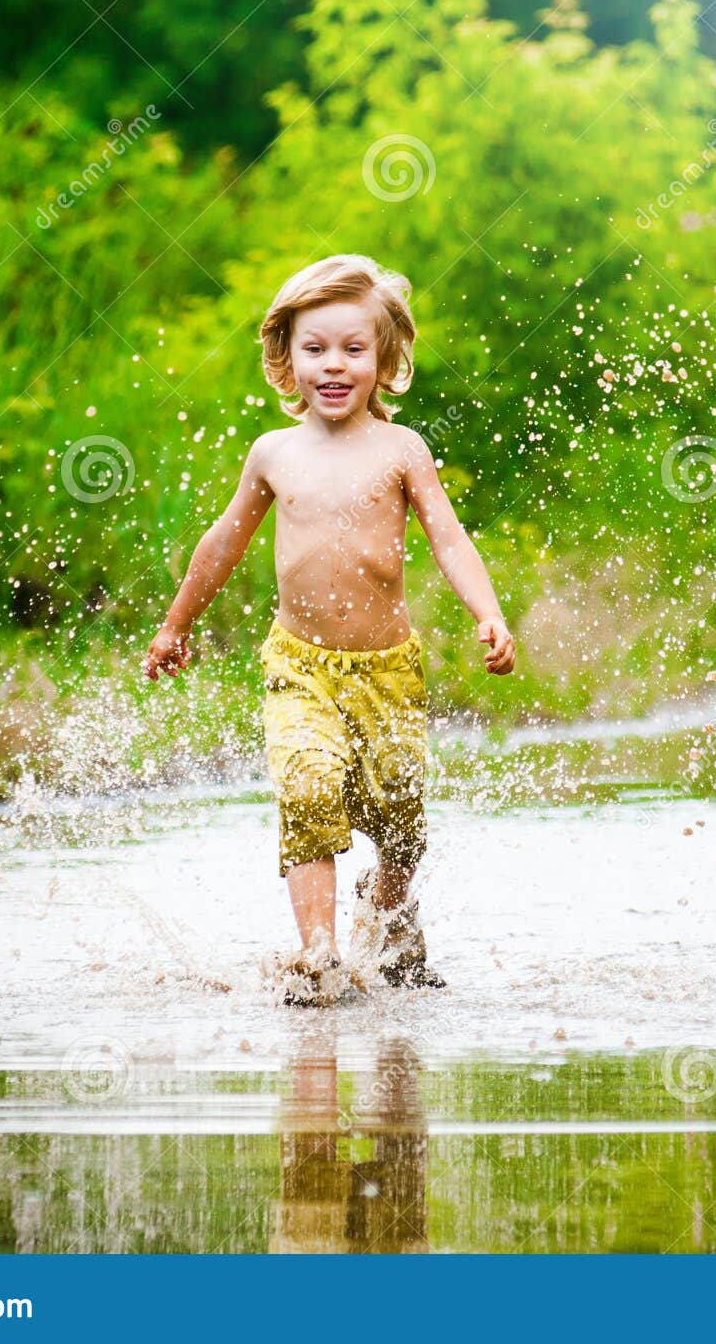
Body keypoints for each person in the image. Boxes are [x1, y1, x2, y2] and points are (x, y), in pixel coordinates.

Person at [144, 254, 515, 1005]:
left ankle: (391, 930)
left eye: (354, 349)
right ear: (287, 358)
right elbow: (223, 543)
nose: (334, 365)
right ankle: (320, 955)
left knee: (400, 825)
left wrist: (489, 612)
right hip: (299, 666)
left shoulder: (402, 450)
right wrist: (175, 623)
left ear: (385, 359)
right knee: (308, 790)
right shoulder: (274, 454)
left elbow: (449, 539)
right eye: (315, 349)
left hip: (387, 671)